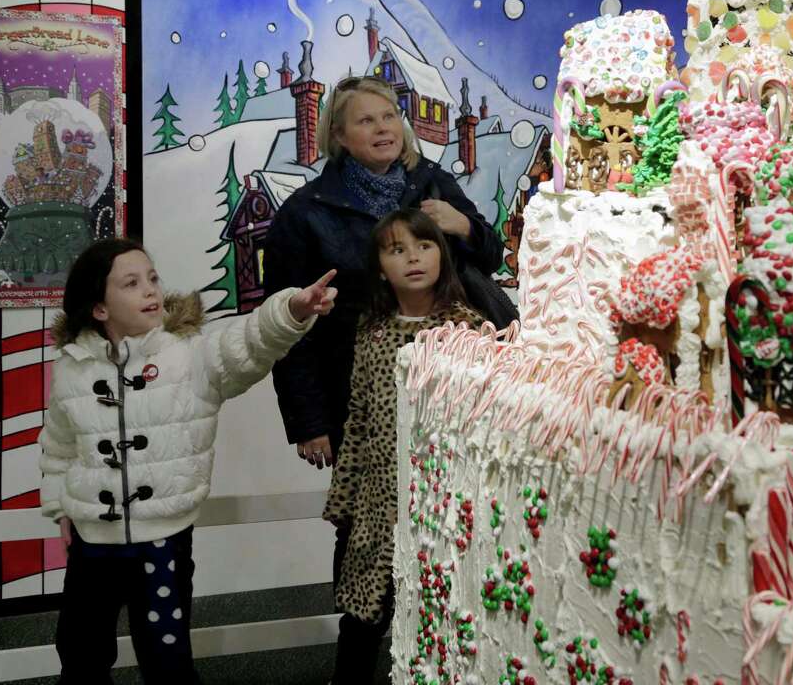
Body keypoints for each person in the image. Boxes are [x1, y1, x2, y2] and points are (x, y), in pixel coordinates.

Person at [260, 76, 502, 664]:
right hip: (361, 393)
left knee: (453, 527)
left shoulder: (434, 185)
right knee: (368, 538)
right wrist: (309, 421)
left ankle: (447, 663)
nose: (383, 128)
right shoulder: (306, 213)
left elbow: (491, 256)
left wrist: (463, 226)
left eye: (390, 116)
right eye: (365, 120)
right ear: (338, 136)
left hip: (453, 383)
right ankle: (358, 662)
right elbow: (290, 328)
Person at [38, 238, 336, 683]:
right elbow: (58, 445)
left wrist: (290, 312)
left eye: (153, 278)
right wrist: (59, 508)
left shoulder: (190, 355)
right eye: (132, 283)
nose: (151, 290)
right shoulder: (71, 368)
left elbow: (248, 343)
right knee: (80, 650)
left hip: (163, 541)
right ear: (99, 308)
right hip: (92, 541)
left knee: (166, 655)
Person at [324, 209, 484, 680]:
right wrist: (345, 501)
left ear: (443, 255)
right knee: (362, 615)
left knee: (439, 617)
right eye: (397, 250)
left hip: (440, 506)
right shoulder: (372, 332)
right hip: (379, 507)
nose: (413, 258)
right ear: (379, 266)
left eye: (424, 246)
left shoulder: (466, 331)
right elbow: (358, 420)